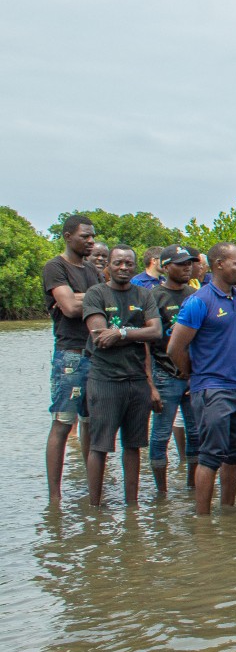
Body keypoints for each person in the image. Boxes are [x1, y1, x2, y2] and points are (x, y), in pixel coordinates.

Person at [167, 243, 236, 515]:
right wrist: (193, 374)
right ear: (218, 264)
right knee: (210, 457)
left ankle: (228, 512)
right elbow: (174, 348)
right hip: (212, 389)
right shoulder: (199, 301)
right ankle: (202, 521)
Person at [80, 246, 161, 505]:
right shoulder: (96, 294)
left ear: (136, 266)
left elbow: (156, 332)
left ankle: (132, 506)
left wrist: (122, 333)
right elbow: (100, 337)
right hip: (105, 379)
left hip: (136, 380)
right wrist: (136, 331)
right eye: (118, 263)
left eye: (128, 263)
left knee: (134, 445)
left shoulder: (144, 295)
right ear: (109, 266)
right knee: (99, 445)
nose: (123, 267)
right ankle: (94, 506)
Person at [43, 213, 100, 502]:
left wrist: (81, 297)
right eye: (84, 236)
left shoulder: (92, 270)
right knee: (63, 423)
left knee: (90, 423)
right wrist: (88, 299)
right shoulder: (54, 267)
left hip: (96, 354)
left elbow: (107, 303)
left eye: (92, 236)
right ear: (67, 236)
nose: (90, 241)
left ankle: (93, 493)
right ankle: (55, 497)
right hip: (70, 355)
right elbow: (69, 308)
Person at [145, 244, 200, 492]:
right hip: (165, 374)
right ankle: (161, 493)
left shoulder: (194, 294)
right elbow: (147, 343)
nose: (187, 267)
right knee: (160, 436)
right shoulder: (153, 296)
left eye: (190, 262)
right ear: (165, 267)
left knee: (197, 434)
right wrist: (150, 383)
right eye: (181, 263)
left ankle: (191, 486)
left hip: (193, 375)